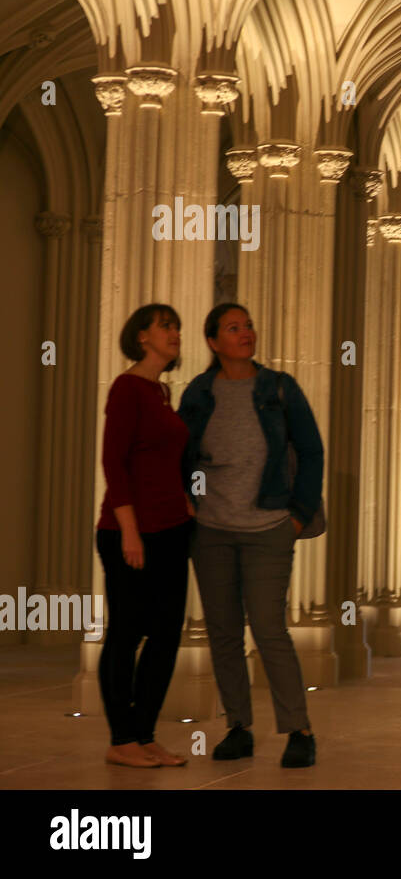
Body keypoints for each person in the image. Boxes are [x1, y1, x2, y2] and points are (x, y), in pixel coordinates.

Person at [177, 303, 323, 768]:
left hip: (267, 528)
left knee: (268, 628)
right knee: (222, 632)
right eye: (234, 328)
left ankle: (299, 729)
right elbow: (181, 456)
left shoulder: (278, 387)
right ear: (214, 342)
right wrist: (187, 501)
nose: (246, 333)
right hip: (212, 531)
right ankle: (238, 727)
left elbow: (311, 449)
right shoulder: (199, 393)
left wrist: (297, 515)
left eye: (249, 325)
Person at [95, 304, 194, 768]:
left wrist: (187, 504)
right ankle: (121, 740)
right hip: (130, 532)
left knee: (167, 634)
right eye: (165, 326)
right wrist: (131, 532)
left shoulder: (161, 393)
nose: (174, 333)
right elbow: (114, 463)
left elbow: (167, 462)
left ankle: (144, 733)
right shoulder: (127, 388)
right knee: (127, 632)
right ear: (141, 337)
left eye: (176, 326)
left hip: (173, 530)